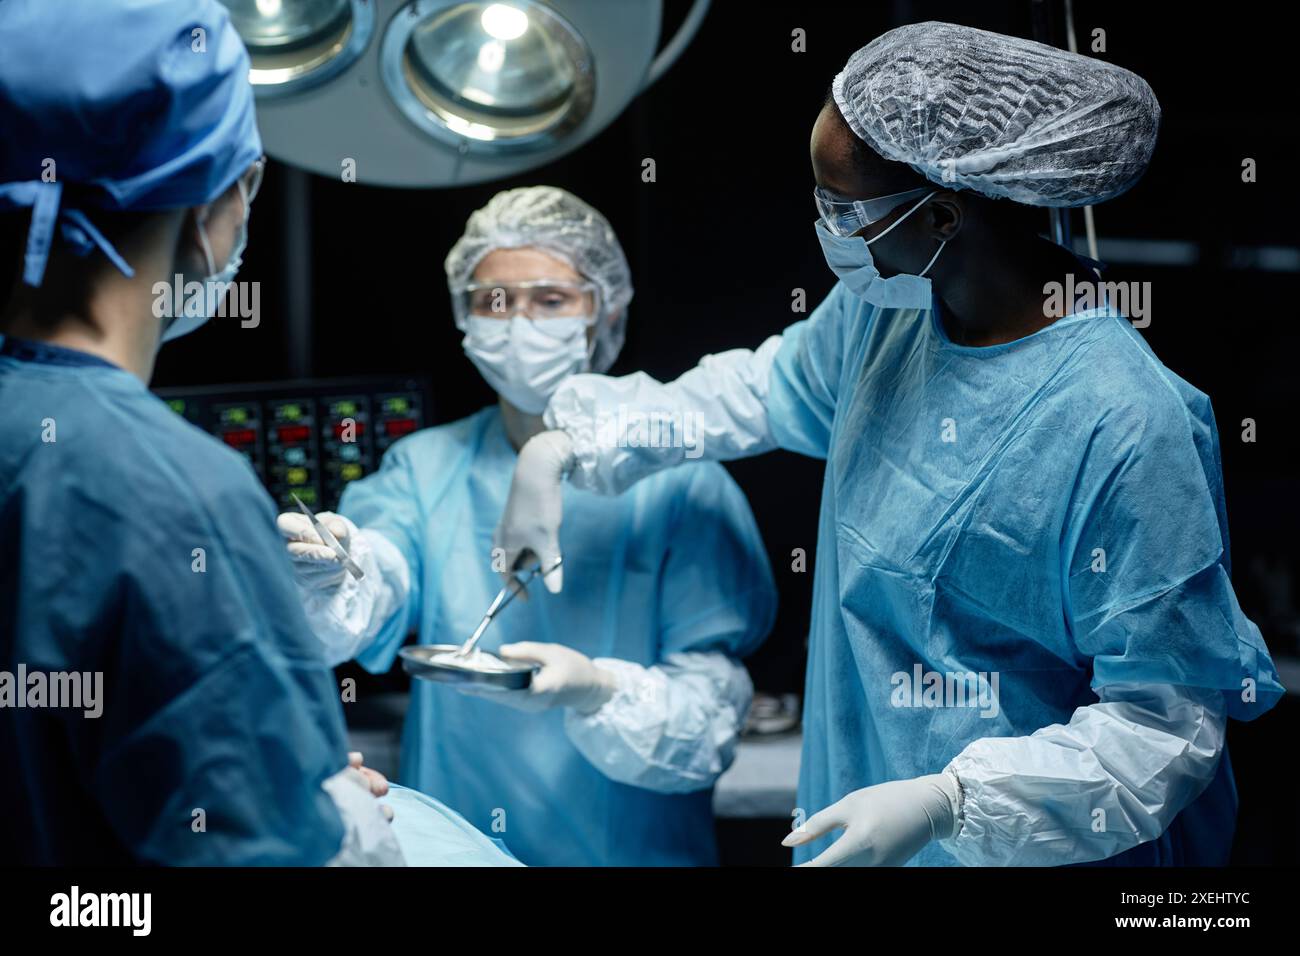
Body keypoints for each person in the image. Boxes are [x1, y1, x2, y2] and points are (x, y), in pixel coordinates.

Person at [492, 22, 1285, 866]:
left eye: (842, 207)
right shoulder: (891, 312)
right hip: (855, 815)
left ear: (944, 212)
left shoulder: (1122, 422)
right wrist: (568, 444)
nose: (825, 225)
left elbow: (1159, 726)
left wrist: (951, 802)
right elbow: (758, 390)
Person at [0, 0, 410, 865]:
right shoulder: (172, 491)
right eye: (249, 180)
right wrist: (330, 813)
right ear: (211, 206)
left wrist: (268, 766)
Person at [277, 186, 777, 866]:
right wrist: (338, 568)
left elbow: (708, 729)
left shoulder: (684, 487)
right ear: (465, 315)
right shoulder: (427, 469)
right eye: (494, 302)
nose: (518, 325)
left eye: (550, 300)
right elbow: (379, 579)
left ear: (604, 310)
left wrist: (597, 691)